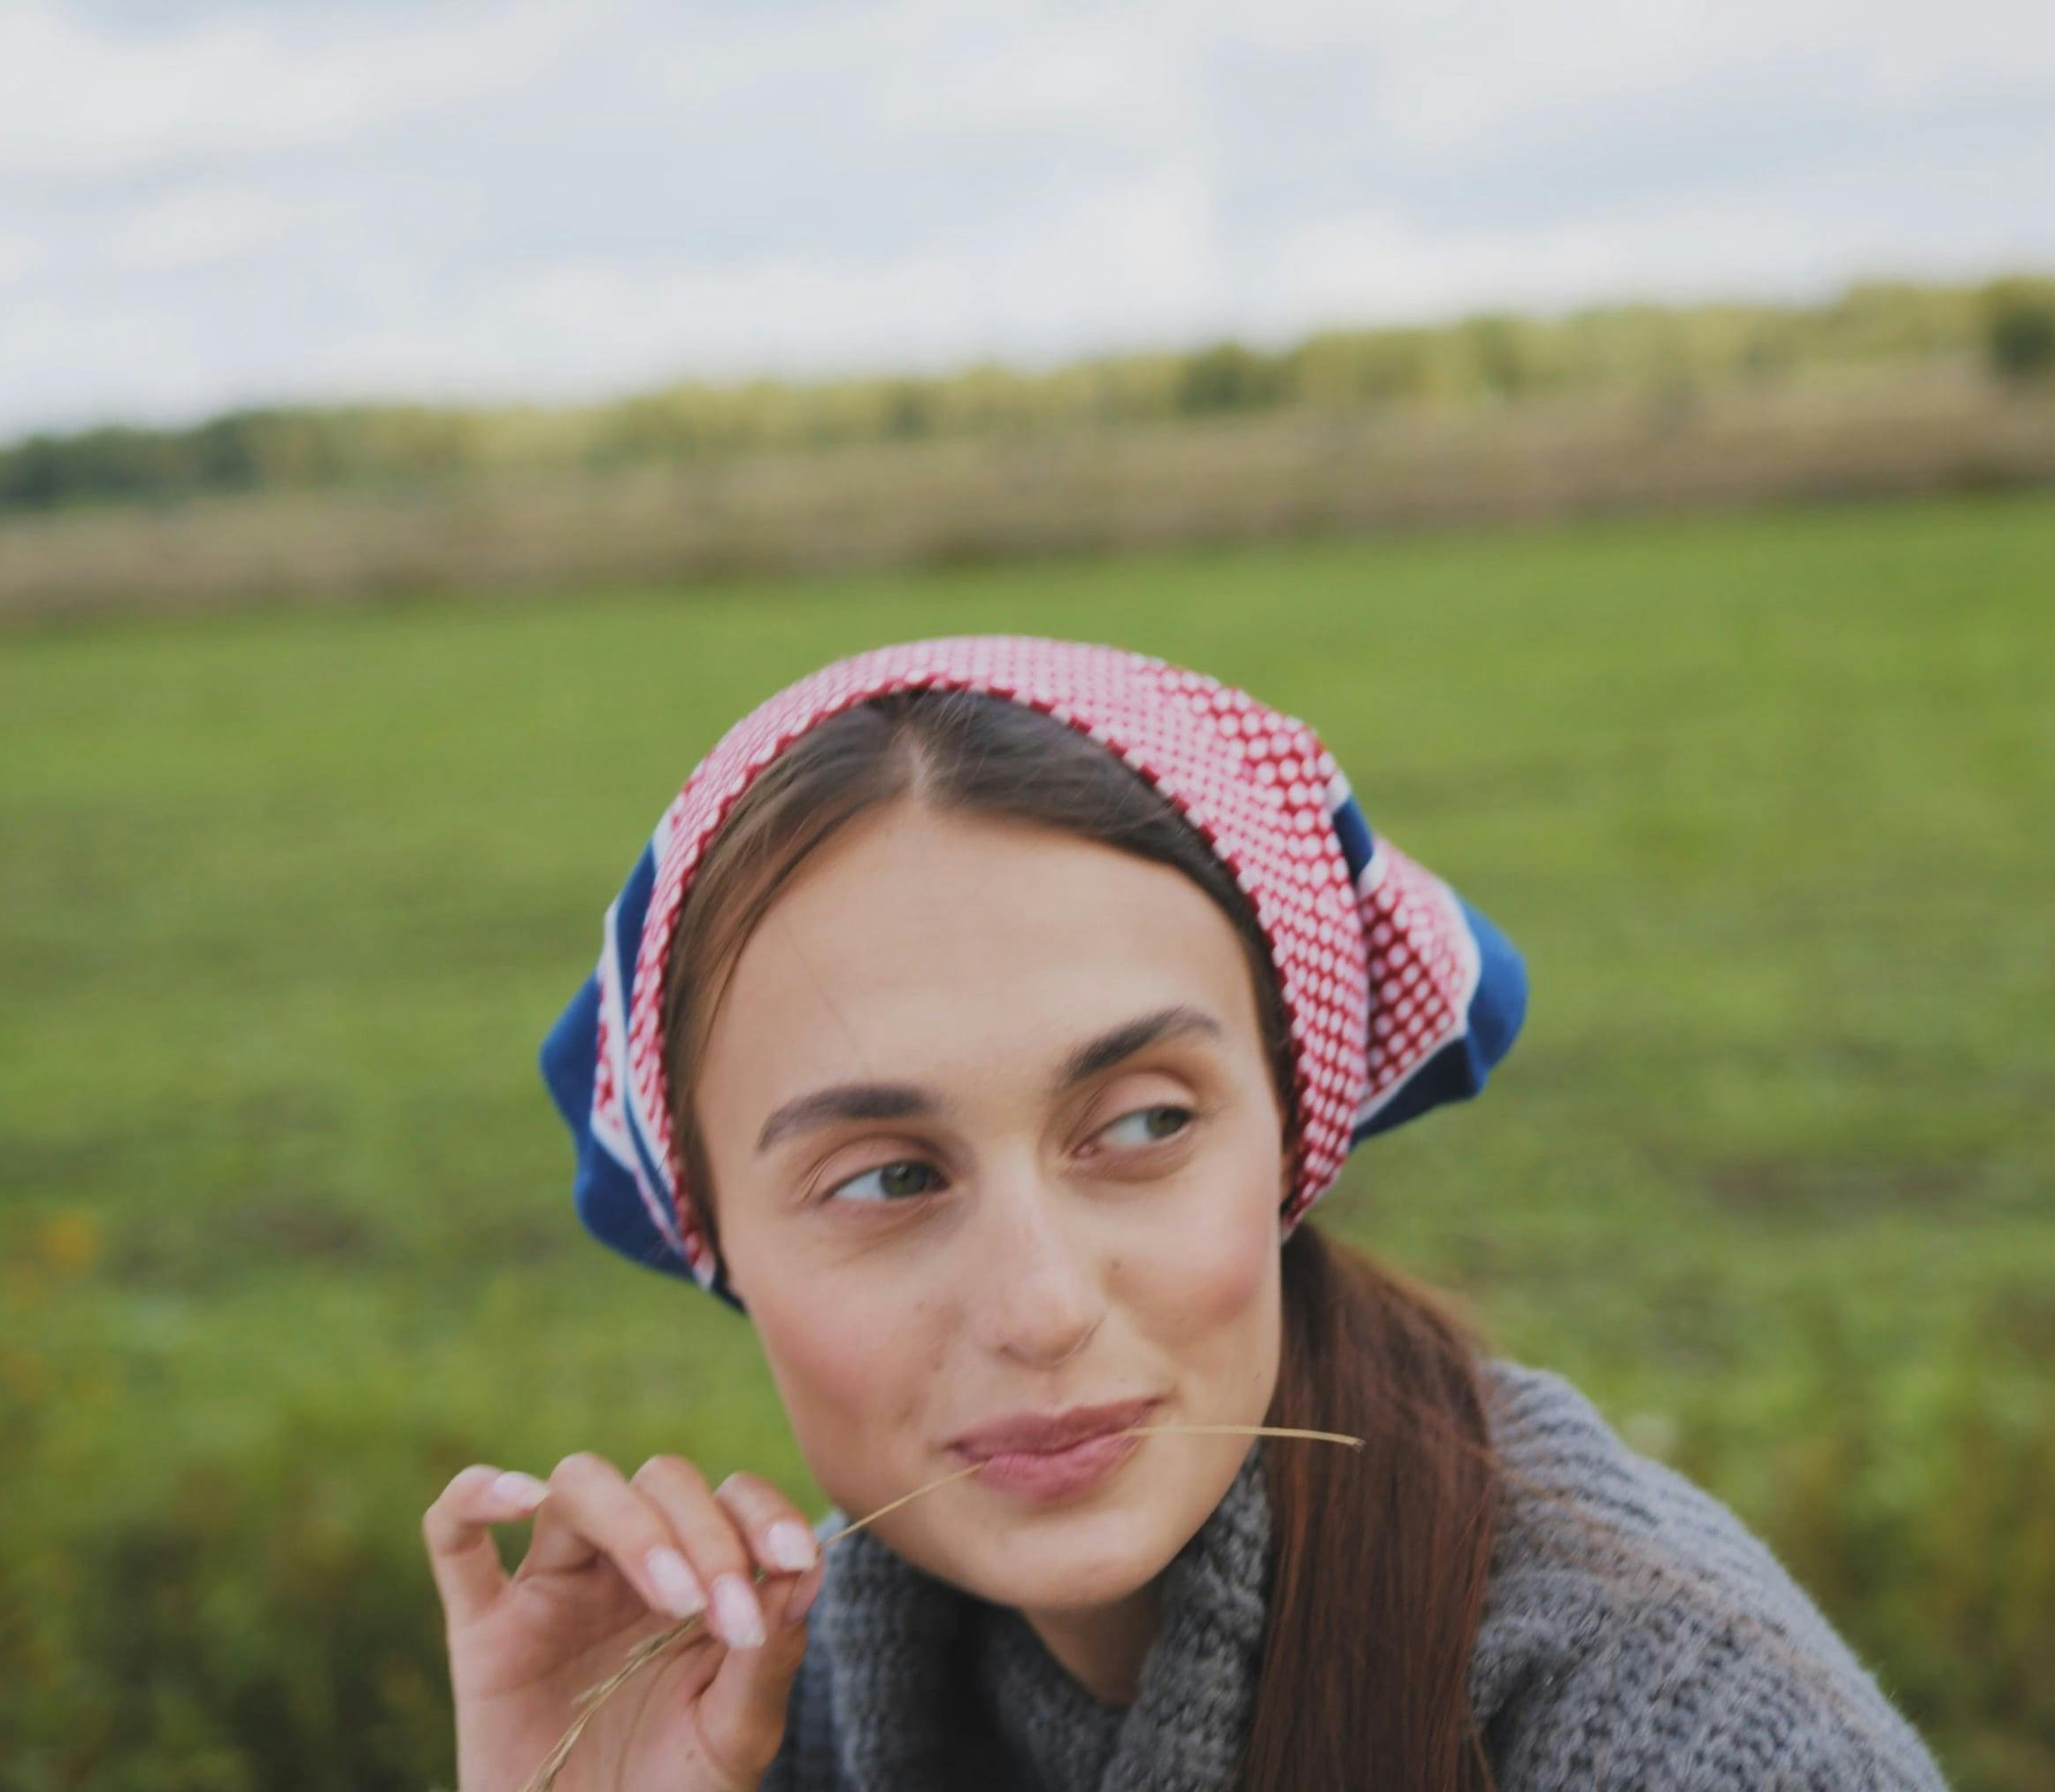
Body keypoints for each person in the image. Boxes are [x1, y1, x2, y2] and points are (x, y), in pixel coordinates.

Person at [423, 636, 1948, 1791]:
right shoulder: (751, 1711)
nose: (1040, 1307)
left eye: (1145, 1123)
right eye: (889, 1177)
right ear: (715, 1238)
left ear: (1295, 1128)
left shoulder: (1677, 1727)